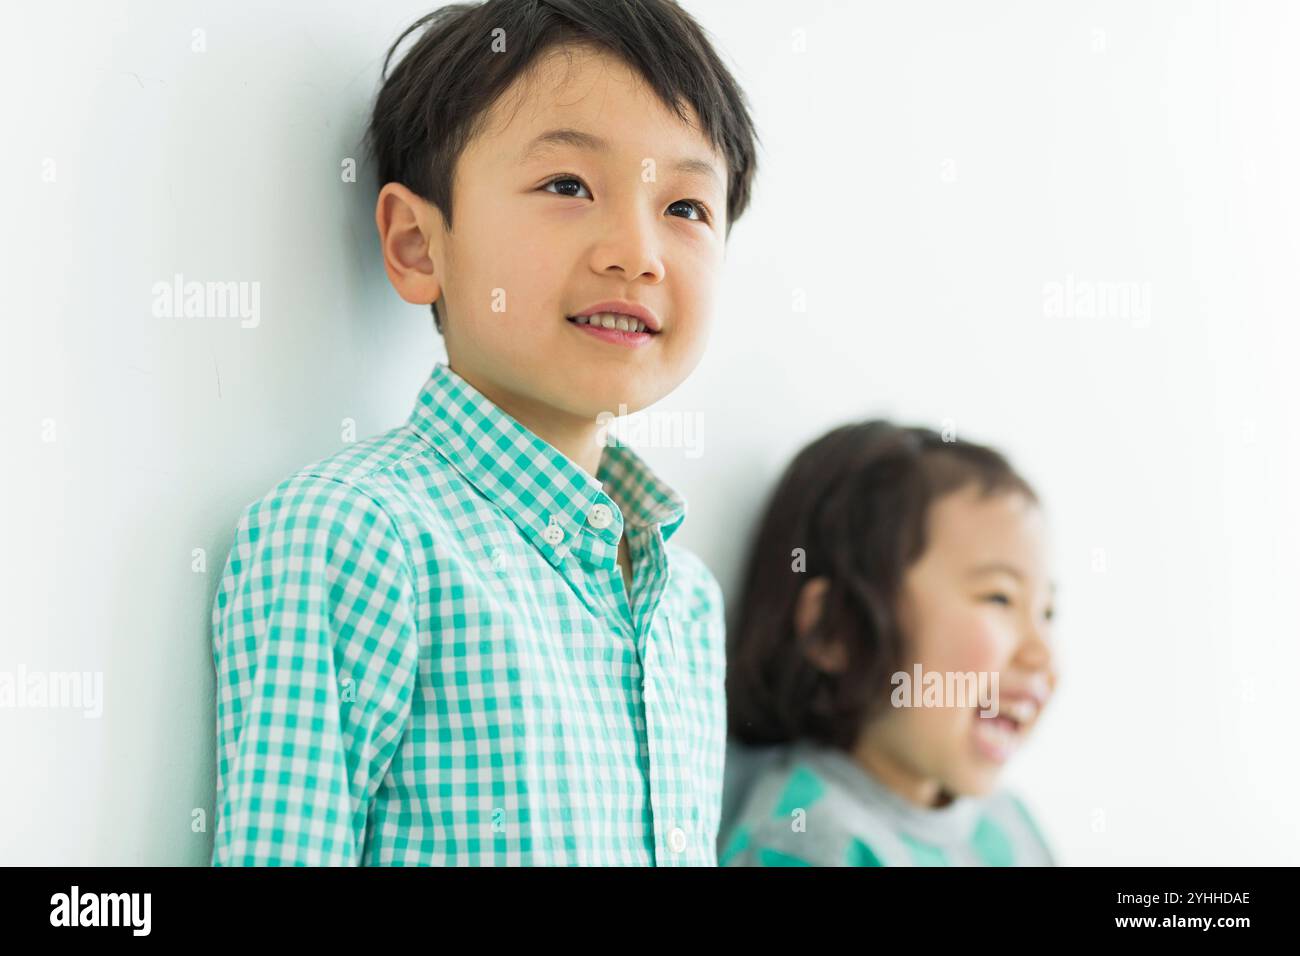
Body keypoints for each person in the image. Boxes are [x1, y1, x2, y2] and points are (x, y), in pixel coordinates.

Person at [210, 0, 759, 865]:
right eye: (568, 186)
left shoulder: (685, 602)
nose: (638, 252)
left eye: (687, 206)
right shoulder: (354, 535)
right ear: (418, 245)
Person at [720, 422, 1058, 865]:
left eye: (1048, 612)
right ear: (838, 630)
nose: (1041, 654)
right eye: (999, 597)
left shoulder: (1008, 823)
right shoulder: (805, 840)